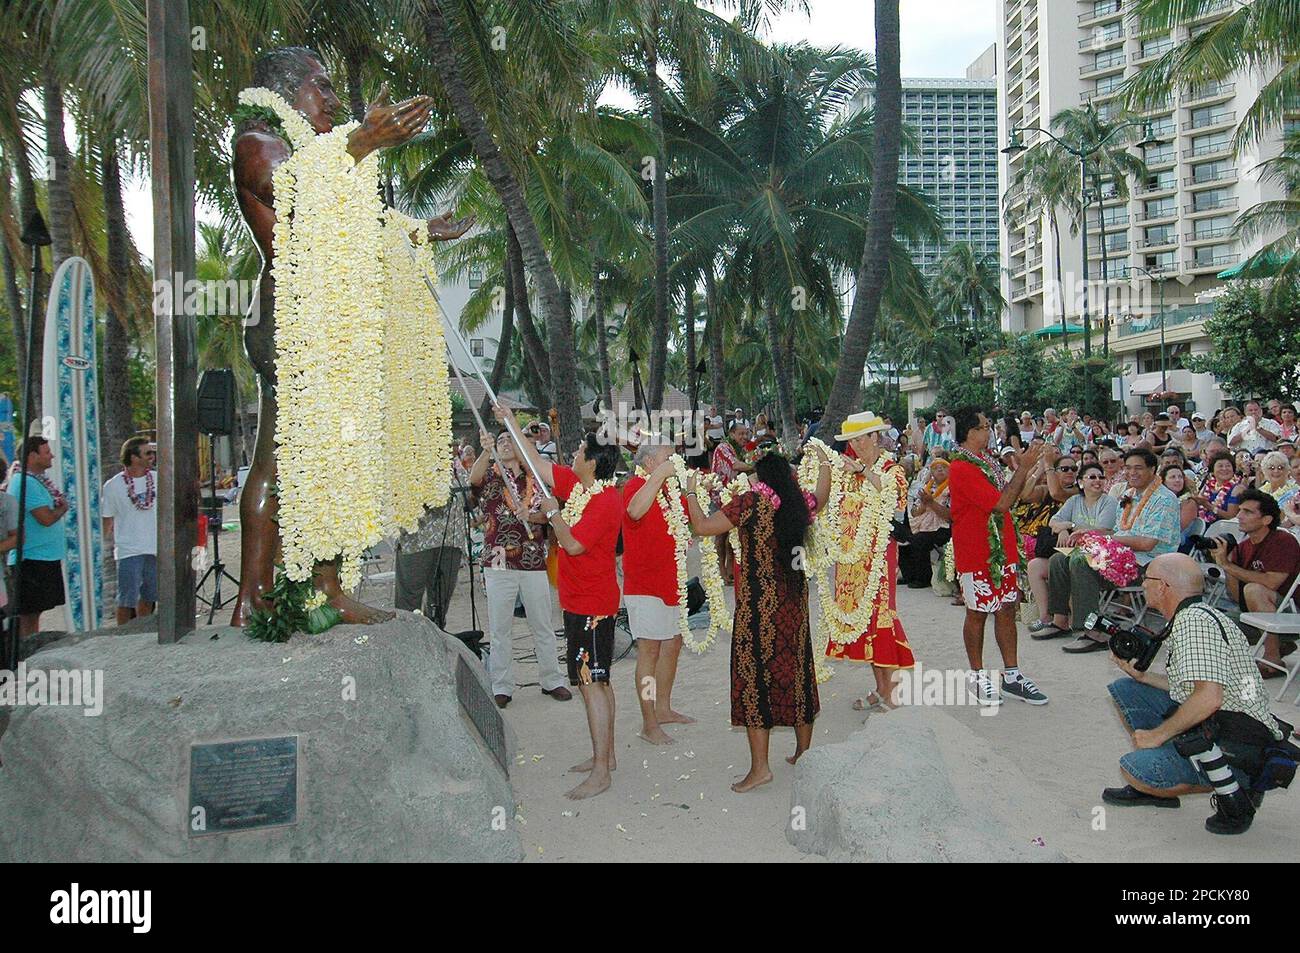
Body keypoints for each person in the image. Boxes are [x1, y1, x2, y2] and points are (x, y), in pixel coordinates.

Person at [230, 46, 470, 627]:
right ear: (287, 92)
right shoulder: (258, 145)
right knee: (304, 454)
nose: (335, 101)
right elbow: (297, 195)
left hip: (308, 320)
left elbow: (353, 219)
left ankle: (270, 597)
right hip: (295, 321)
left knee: (284, 458)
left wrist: (418, 233)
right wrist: (362, 141)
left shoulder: (311, 150)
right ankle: (310, 590)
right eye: (323, 87)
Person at [1104, 553, 1289, 835]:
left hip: (1238, 738)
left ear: (1164, 586)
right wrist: (1142, 676)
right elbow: (1191, 687)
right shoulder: (1195, 614)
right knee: (1127, 688)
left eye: (1147, 579)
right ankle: (1171, 772)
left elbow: (1208, 697)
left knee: (1136, 770)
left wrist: (1157, 735)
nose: (1142, 585)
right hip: (1223, 718)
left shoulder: (1195, 624)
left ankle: (1237, 789)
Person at [685, 447, 830, 792]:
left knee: (755, 679)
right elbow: (821, 497)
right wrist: (825, 462)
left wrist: (691, 491)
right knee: (797, 671)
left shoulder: (751, 502)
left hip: (759, 607)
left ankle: (761, 768)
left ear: (762, 478)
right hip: (794, 601)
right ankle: (803, 753)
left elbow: (703, 526)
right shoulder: (798, 502)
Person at [523, 420, 625, 802]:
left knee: (591, 682)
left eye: (581, 452)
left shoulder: (603, 500)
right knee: (597, 680)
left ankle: (601, 771)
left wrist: (552, 514)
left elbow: (574, 545)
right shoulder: (580, 487)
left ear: (593, 463)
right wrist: (510, 424)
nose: (574, 456)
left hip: (593, 605)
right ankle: (607, 757)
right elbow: (537, 462)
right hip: (580, 601)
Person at [948, 408, 1048, 705]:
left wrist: (1031, 469)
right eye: (984, 426)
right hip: (977, 552)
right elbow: (1002, 504)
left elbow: (1018, 495)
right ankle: (978, 677)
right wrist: (1023, 467)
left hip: (1001, 550)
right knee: (977, 613)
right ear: (969, 432)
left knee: (1006, 609)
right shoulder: (961, 467)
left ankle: (1012, 676)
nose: (989, 430)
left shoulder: (986, 461)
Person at [470, 427, 571, 709]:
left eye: (508, 440)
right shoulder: (490, 474)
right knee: (500, 627)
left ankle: (552, 680)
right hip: (498, 560)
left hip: (532, 559)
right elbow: (473, 479)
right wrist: (485, 450)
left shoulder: (535, 477)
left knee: (542, 623)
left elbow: (550, 513)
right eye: (499, 440)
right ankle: (501, 685)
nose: (504, 443)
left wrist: (533, 515)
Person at [822, 413, 916, 712]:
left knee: (880, 617)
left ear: (875, 437)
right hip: (851, 557)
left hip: (878, 557)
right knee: (863, 620)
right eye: (851, 440)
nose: (855, 445)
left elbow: (895, 497)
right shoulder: (848, 471)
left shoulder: (892, 469)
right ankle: (881, 688)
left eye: (860, 438)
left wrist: (863, 470)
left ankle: (891, 693)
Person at [1052, 448, 1182, 653]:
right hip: (1119, 555)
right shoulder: (1128, 494)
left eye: (1138, 468)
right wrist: (1086, 534)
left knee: (1081, 561)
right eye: (1128, 468)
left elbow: (1147, 543)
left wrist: (1104, 538)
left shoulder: (1164, 499)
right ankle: (1060, 620)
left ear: (1153, 470)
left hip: (1148, 563)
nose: (1132, 473)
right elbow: (1119, 530)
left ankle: (1094, 632)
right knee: (1060, 558)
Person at [622, 437, 695, 744]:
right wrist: (658, 477)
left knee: (673, 644)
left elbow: (694, 522)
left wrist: (692, 488)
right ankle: (648, 721)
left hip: (672, 583)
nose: (674, 460)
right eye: (668, 456)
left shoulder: (669, 492)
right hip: (645, 586)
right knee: (649, 651)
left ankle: (663, 708)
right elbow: (636, 511)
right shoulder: (635, 486)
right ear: (650, 462)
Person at [1209, 488, 1300, 678]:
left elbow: (1272, 582)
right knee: (1210, 621)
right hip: (1261, 614)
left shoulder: (1282, 540)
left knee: (1254, 590)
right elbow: (1236, 597)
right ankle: (1280, 643)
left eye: (1248, 512)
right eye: (1240, 510)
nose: (1239, 516)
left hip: (1292, 611)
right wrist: (1227, 563)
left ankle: (1272, 660)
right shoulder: (1244, 546)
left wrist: (1228, 565)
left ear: (1266, 519)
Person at [1027, 462, 1119, 639]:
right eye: (1092, 477)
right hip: (1079, 551)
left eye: (1101, 477)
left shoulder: (1109, 502)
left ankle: (1087, 628)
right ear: (1081, 482)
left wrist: (1070, 525)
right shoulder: (1074, 500)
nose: (1097, 481)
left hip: (1101, 555)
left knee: (1075, 561)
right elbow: (1054, 522)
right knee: (1056, 559)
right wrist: (1062, 529)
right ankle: (1059, 620)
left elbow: (1100, 530)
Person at [394, 454, 468, 630]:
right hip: (417, 541)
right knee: (409, 604)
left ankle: (436, 639)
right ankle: (407, 643)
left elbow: (469, 497)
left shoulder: (455, 468)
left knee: (440, 602)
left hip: (451, 541)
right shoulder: (405, 459)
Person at [6, 436, 68, 636]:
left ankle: (30, 647)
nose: (52, 456)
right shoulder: (26, 482)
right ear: (32, 456)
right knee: (28, 612)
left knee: (35, 612)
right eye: (47, 452)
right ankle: (25, 653)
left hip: (43, 556)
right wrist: (62, 509)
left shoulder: (35, 481)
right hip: (31, 558)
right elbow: (45, 518)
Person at [101, 436, 159, 625]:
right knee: (126, 598)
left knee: (150, 596)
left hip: (155, 547)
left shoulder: (159, 479)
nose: (152, 456)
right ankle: (122, 635)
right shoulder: (113, 486)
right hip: (128, 550)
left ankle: (145, 630)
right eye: (147, 452)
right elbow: (107, 520)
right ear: (133, 457)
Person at [901, 456, 951, 590]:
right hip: (924, 524)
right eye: (935, 468)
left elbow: (950, 516)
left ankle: (923, 578)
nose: (940, 469)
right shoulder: (927, 487)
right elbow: (914, 512)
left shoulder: (952, 488)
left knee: (919, 540)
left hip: (945, 527)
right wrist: (924, 504)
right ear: (932, 473)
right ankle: (909, 576)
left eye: (943, 467)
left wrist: (931, 503)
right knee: (904, 540)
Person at [1160, 464, 1200, 550]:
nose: (1178, 480)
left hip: (1175, 543)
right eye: (1172, 477)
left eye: (1180, 477)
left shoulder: (1189, 502)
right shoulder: (1159, 499)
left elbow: (1177, 529)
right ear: (1164, 481)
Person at [1196, 452, 1243, 525]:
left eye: (1228, 466)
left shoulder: (1238, 488)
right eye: (1220, 466)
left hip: (1226, 529)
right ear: (1213, 470)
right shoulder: (1207, 486)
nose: (1224, 469)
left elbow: (1232, 517)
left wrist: (1210, 506)